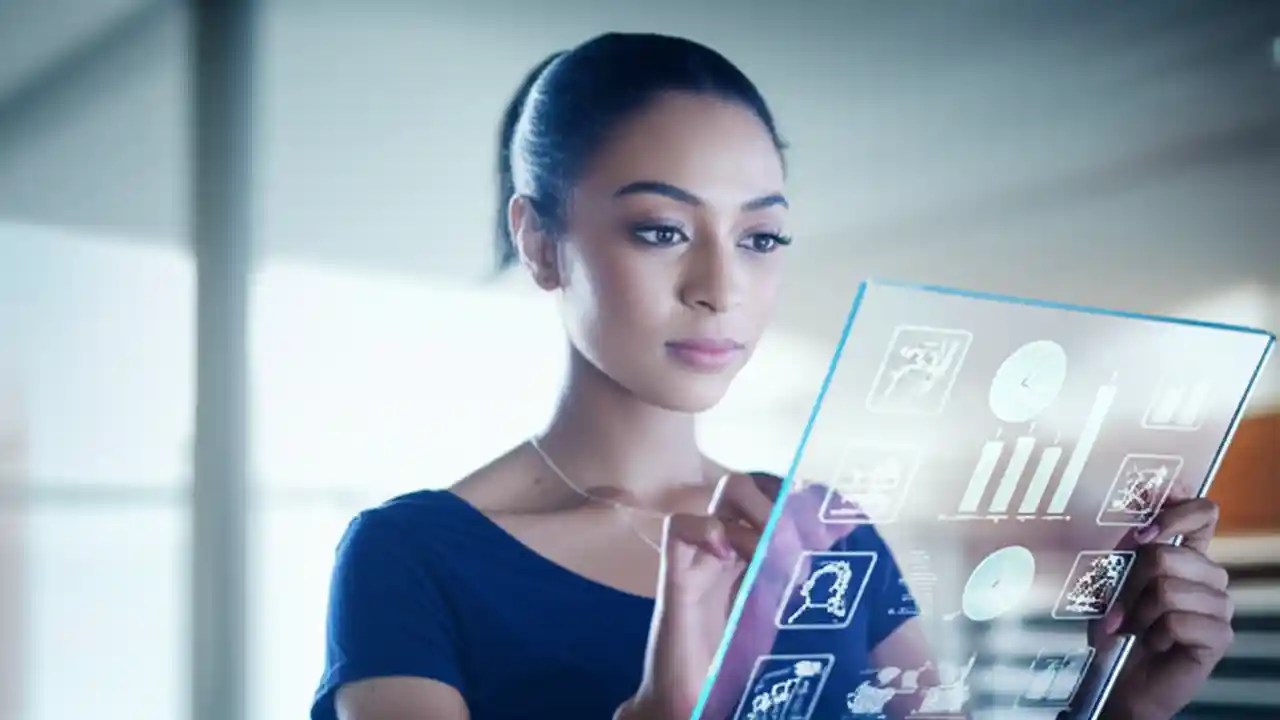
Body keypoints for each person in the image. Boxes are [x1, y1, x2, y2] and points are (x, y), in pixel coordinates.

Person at [310, 32, 1237, 720]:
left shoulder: (828, 535)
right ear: (540, 242)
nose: (721, 288)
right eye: (662, 230)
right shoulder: (413, 558)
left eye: (759, 238)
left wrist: (1127, 704)